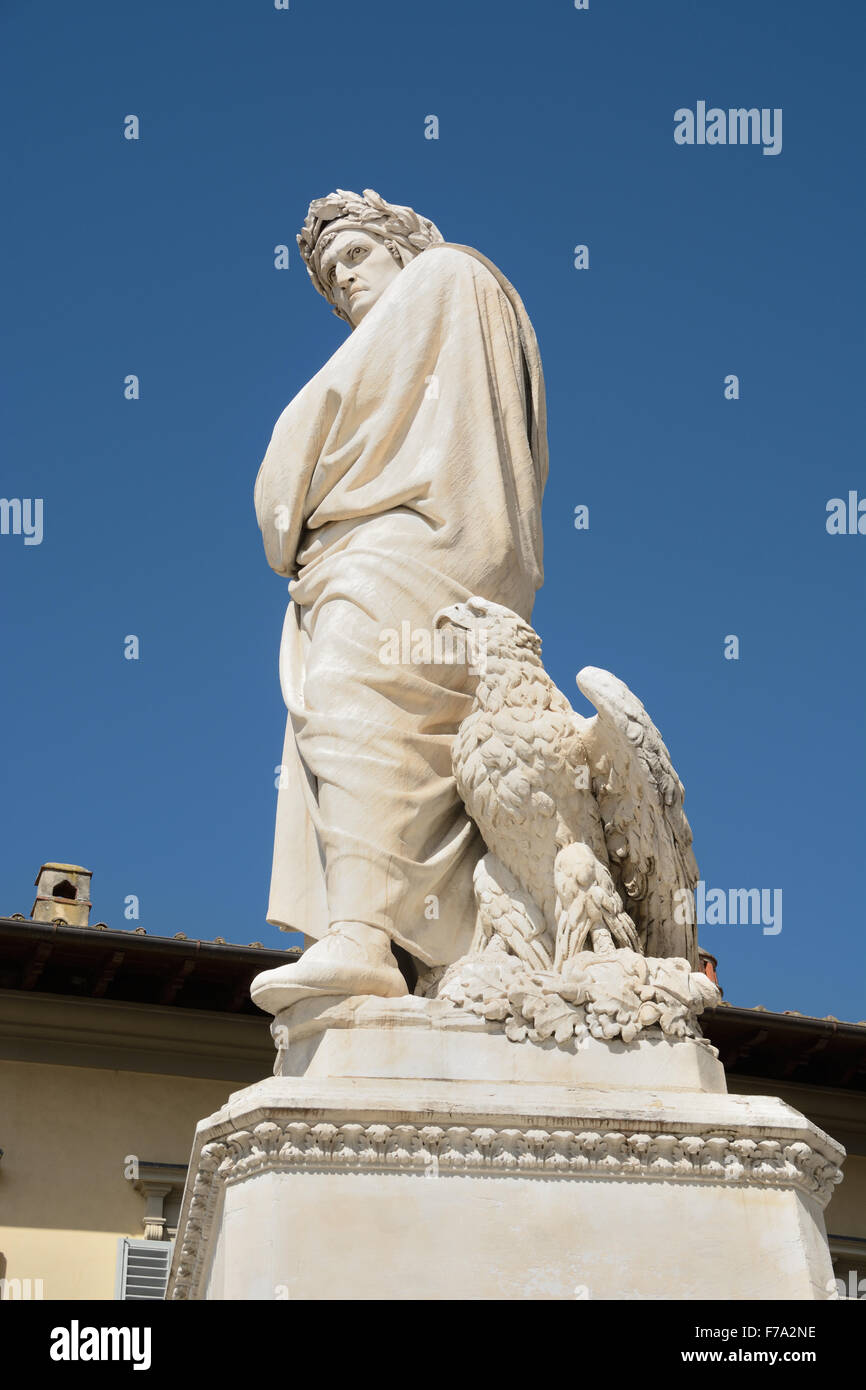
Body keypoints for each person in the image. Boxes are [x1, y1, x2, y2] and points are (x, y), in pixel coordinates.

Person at [251, 189, 547, 1011]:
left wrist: (295, 498)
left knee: (349, 696)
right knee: (425, 751)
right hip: (456, 555)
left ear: (403, 245)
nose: (343, 281)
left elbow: (304, 438)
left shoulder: (446, 277)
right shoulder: (471, 311)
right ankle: (423, 946)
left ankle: (363, 936)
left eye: (355, 256)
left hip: (417, 547)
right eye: (328, 274)